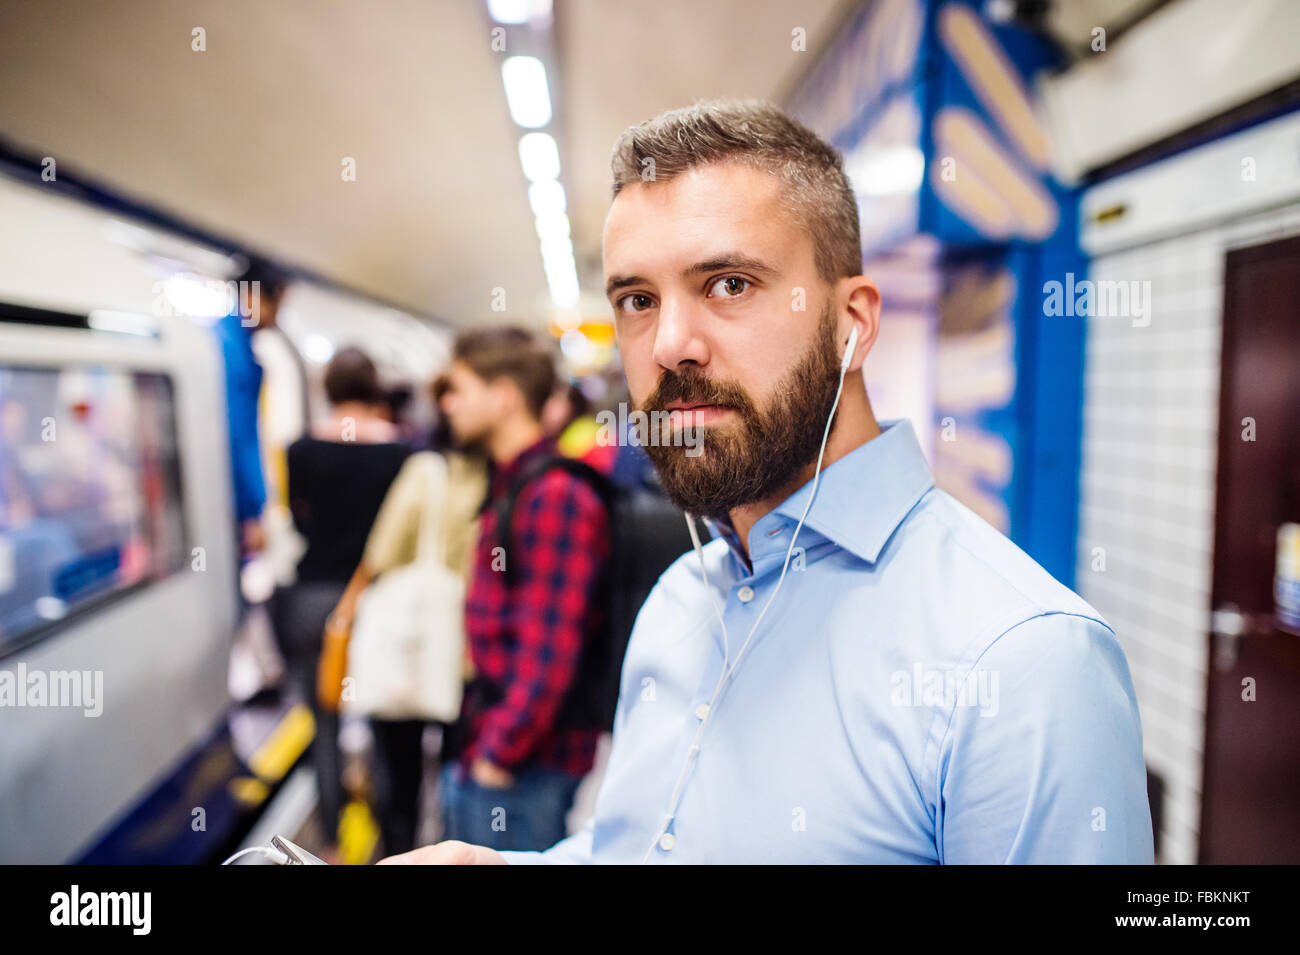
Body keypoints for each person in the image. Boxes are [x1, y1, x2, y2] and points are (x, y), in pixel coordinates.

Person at [380, 100, 1153, 865]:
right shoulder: (681, 600)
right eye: (638, 301)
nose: (671, 345)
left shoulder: (1022, 661)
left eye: (728, 284)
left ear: (851, 323)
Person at [430, 328, 612, 852]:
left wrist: (497, 754)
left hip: (524, 766)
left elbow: (550, 651)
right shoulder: (517, 481)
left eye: (459, 389)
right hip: (494, 746)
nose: (447, 404)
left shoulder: (555, 494)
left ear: (503, 397)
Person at [319, 378, 487, 857]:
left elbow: (384, 549)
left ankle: (398, 849)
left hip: (410, 647)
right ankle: (451, 849)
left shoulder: (425, 471)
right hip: (467, 652)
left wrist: (347, 611)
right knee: (456, 771)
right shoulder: (498, 475)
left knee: (398, 771)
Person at [271, 346, 409, 861]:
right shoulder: (400, 453)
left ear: (327, 389)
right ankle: (388, 840)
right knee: (382, 723)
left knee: (322, 724)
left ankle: (329, 844)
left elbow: (300, 523)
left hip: (310, 599)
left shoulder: (301, 450)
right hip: (373, 602)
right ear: (374, 389)